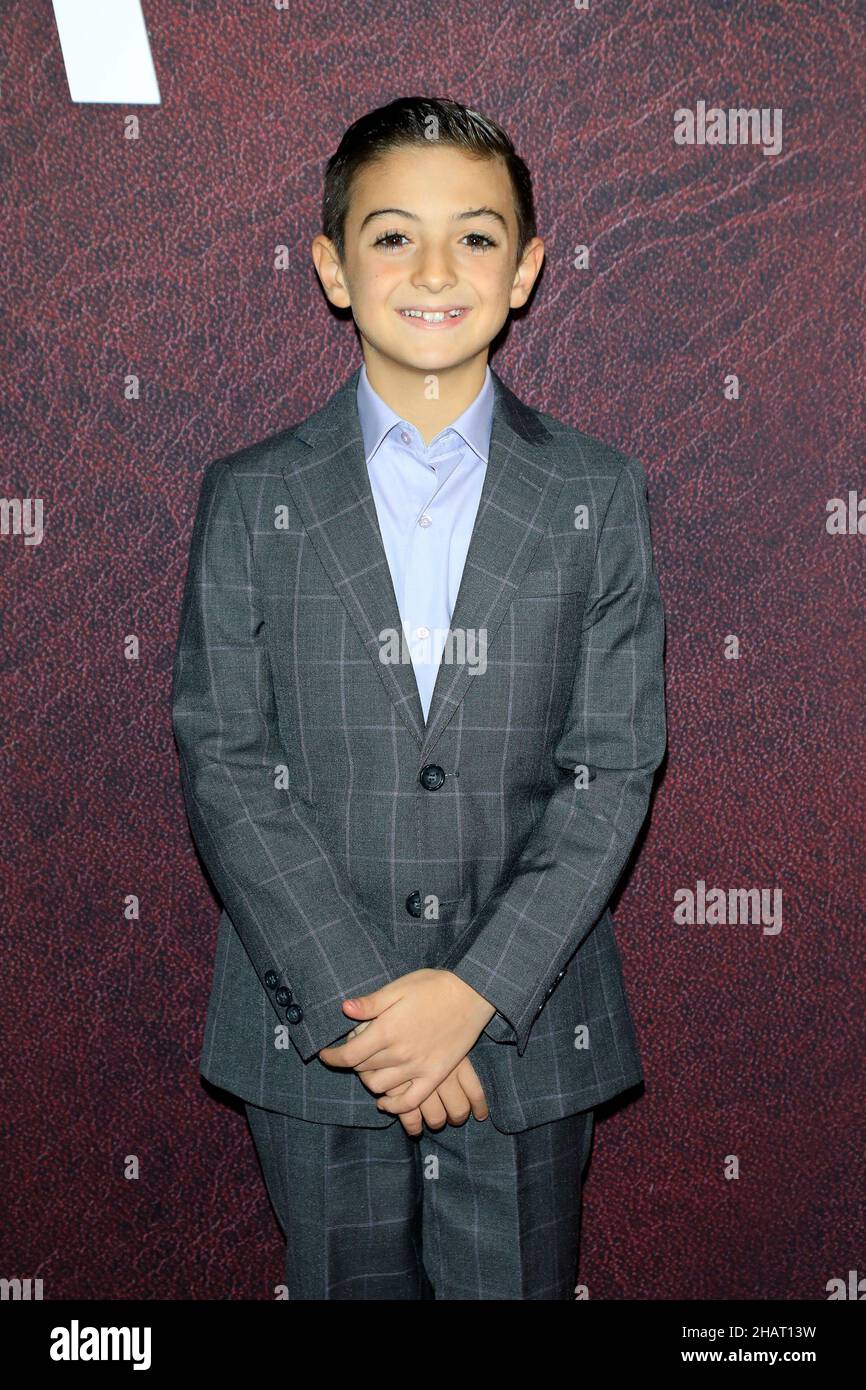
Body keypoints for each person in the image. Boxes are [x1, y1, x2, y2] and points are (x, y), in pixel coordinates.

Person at [171, 94, 667, 1300]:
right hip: (316, 1036)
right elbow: (226, 759)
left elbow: (610, 772)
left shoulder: (596, 495)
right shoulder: (250, 495)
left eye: (476, 237)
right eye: (393, 236)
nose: (434, 270)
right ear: (333, 268)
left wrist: (472, 995)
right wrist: (378, 1015)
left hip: (529, 1026)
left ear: (527, 269)